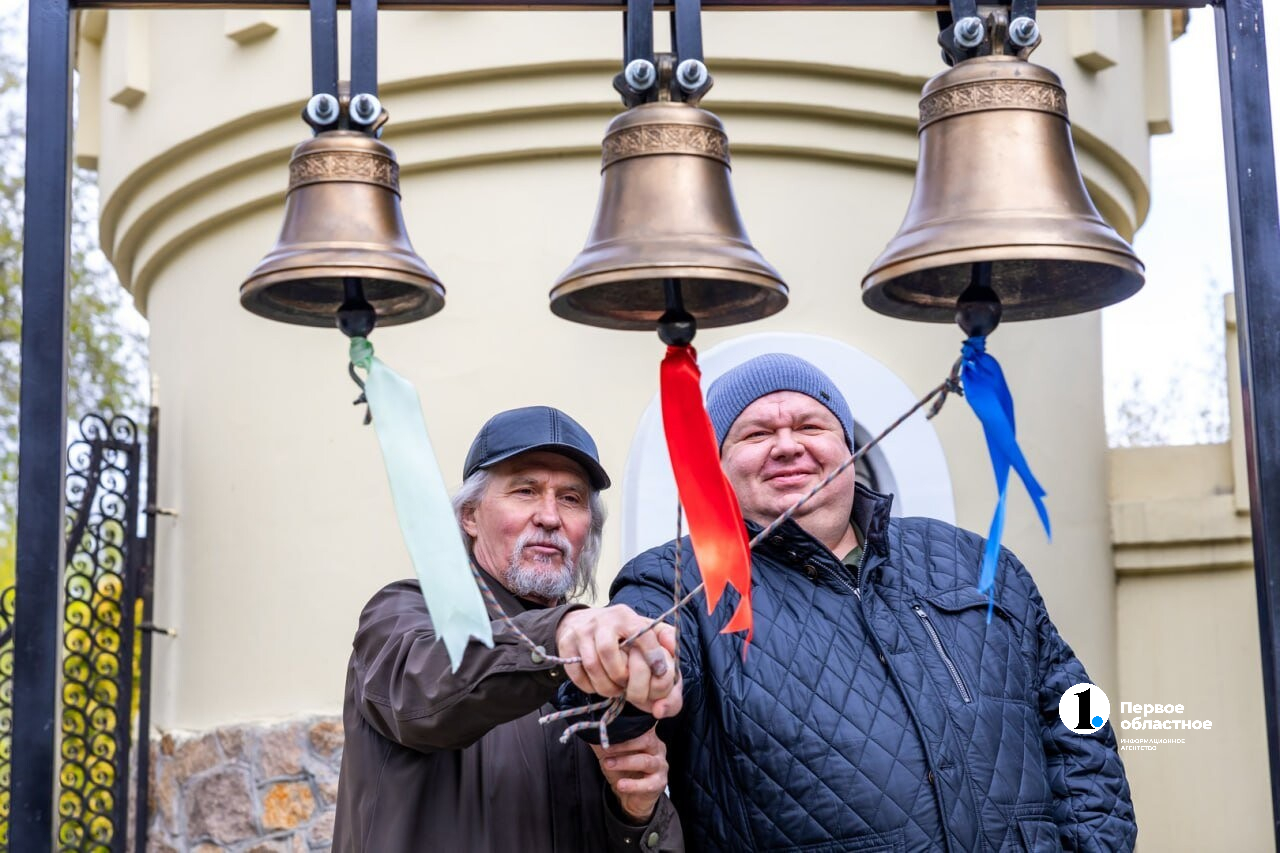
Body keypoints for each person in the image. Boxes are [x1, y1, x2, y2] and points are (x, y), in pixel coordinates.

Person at [569, 353, 1137, 851]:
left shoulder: (973, 560)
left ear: (847, 444)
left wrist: (1093, 841)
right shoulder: (680, 581)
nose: (787, 445)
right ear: (718, 466)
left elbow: (1079, 709)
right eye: (755, 434)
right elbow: (629, 679)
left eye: (810, 425)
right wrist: (620, 652)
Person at [333, 406, 684, 852]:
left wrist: (639, 812)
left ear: (586, 532)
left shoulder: (598, 664)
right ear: (470, 517)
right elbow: (420, 690)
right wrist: (560, 632)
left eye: (571, 499)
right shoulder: (403, 613)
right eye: (525, 491)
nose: (550, 516)